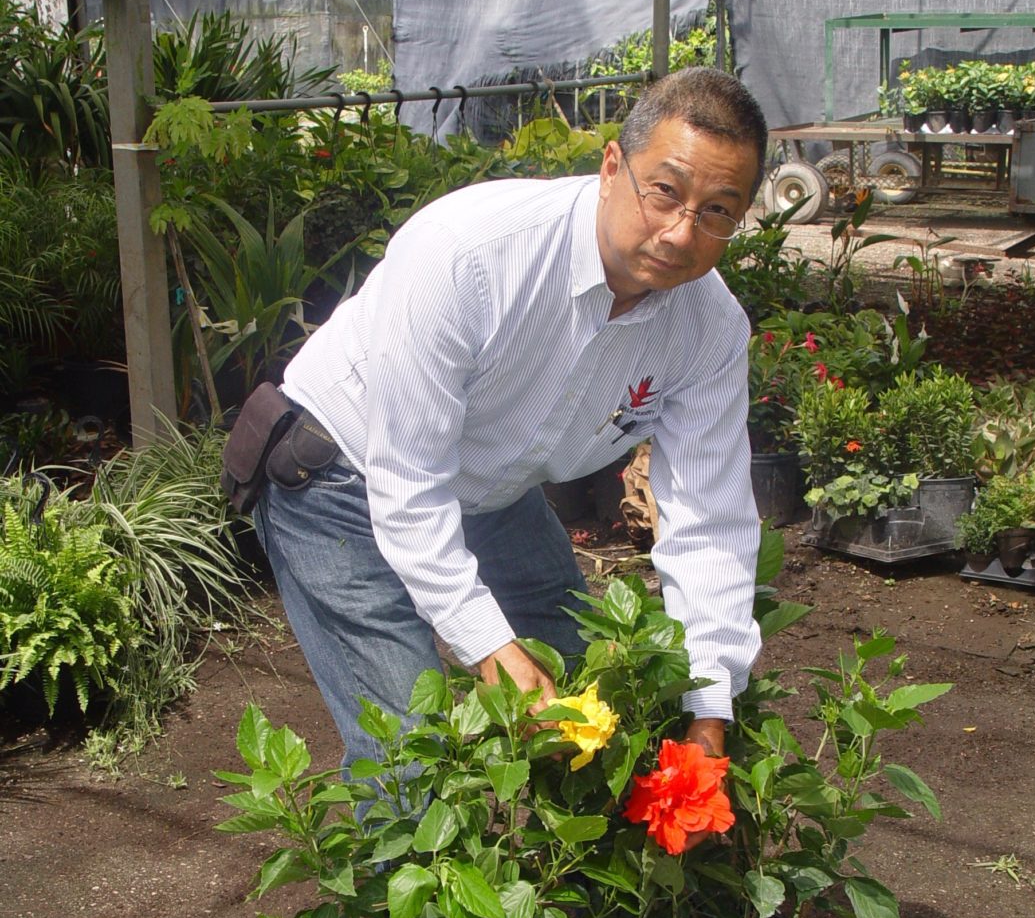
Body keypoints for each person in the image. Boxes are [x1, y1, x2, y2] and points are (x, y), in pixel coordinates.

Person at [254, 66, 767, 831]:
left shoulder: (709, 327)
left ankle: (566, 892)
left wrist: (708, 708)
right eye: (664, 191)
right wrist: (488, 647)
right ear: (610, 167)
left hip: (490, 483)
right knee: (409, 751)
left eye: (718, 211)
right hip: (343, 473)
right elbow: (409, 486)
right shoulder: (468, 254)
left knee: (589, 684)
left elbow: (711, 522)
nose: (681, 232)